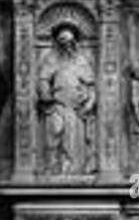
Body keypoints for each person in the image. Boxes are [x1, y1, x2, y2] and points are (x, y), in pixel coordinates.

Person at [37, 25, 96, 175]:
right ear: (58, 43)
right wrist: (45, 93)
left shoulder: (80, 60)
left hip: (75, 108)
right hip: (56, 104)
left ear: (74, 42)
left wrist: (89, 102)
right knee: (55, 133)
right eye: (62, 42)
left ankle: (71, 170)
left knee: (72, 141)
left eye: (69, 42)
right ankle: (52, 167)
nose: (66, 46)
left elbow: (91, 84)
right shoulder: (52, 59)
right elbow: (43, 78)